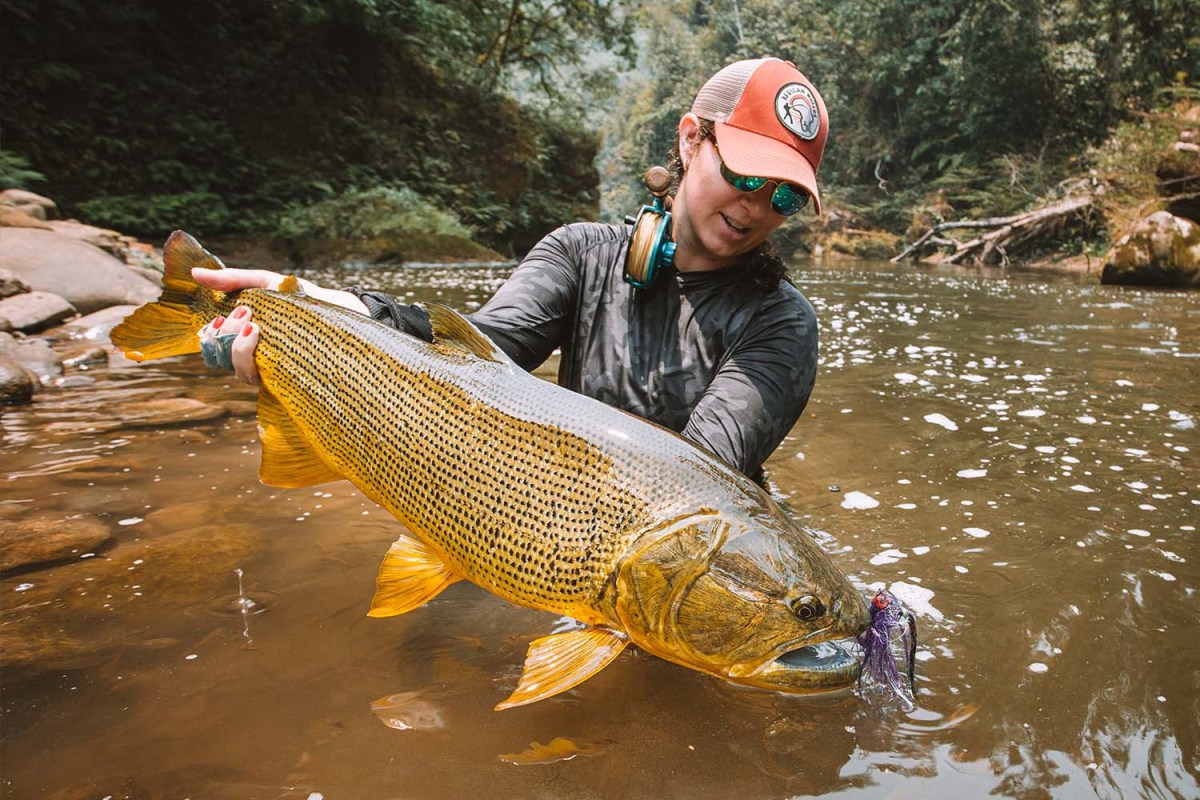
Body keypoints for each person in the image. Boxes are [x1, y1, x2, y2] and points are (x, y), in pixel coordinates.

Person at [195, 57, 828, 485]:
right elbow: (471, 350)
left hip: (688, 548)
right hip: (557, 511)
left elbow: (697, 477)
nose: (755, 207)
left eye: (783, 196)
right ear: (692, 140)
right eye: (744, 173)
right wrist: (312, 309)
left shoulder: (781, 323)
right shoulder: (582, 253)